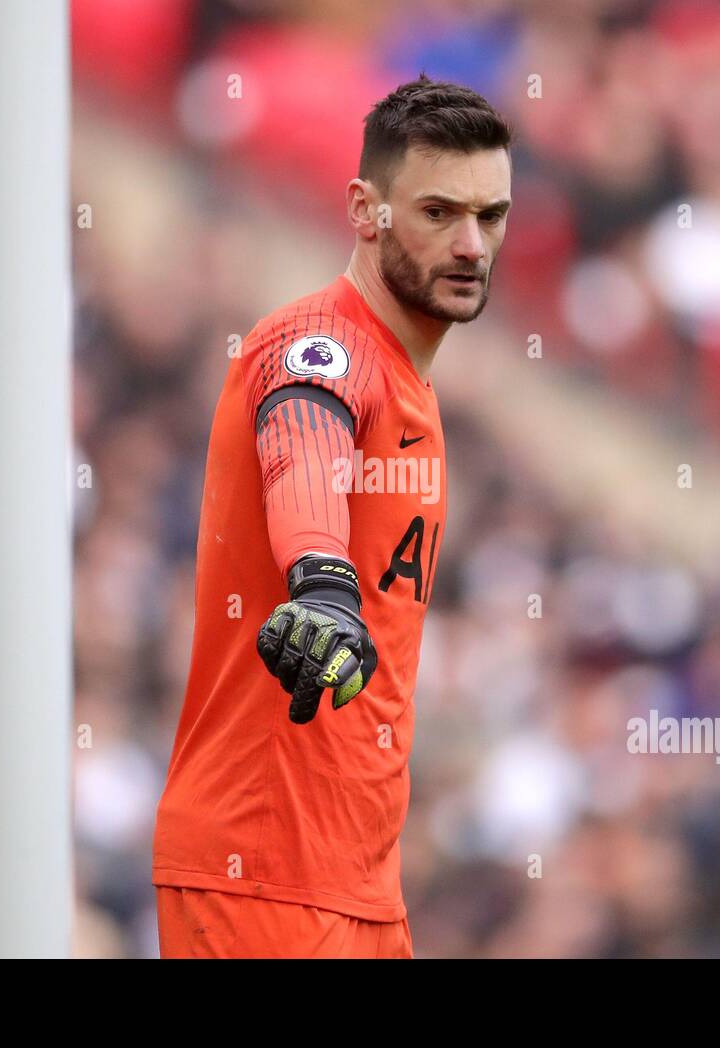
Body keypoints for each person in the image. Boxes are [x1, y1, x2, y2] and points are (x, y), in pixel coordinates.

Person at [153, 74, 513, 958]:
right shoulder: (319, 343)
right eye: (438, 212)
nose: (471, 244)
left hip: (355, 880)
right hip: (260, 871)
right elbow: (305, 435)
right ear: (366, 209)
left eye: (491, 215)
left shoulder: (410, 386)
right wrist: (321, 576)